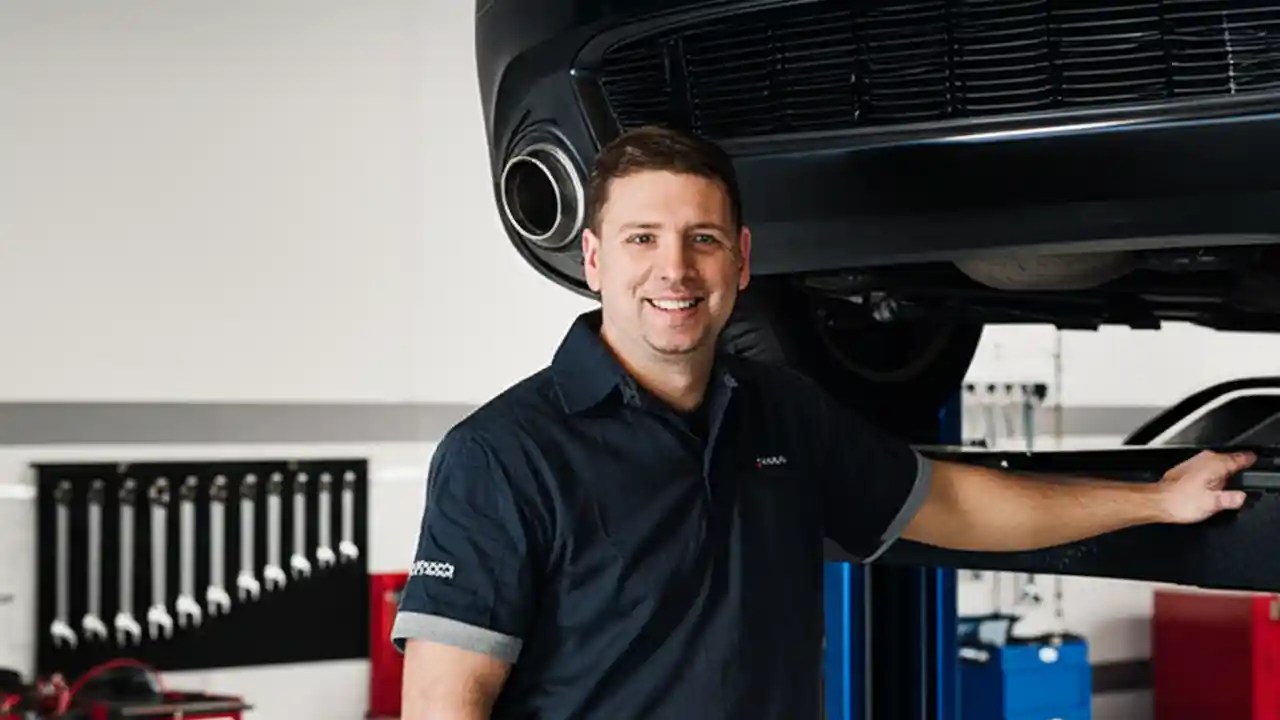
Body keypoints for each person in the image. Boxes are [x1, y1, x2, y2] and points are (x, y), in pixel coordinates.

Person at [392, 125, 1256, 719]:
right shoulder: (503, 455)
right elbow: (444, 700)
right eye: (641, 238)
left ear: (743, 258)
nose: (674, 269)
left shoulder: (782, 414)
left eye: (702, 239)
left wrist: (1155, 499)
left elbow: (955, 507)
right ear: (592, 258)